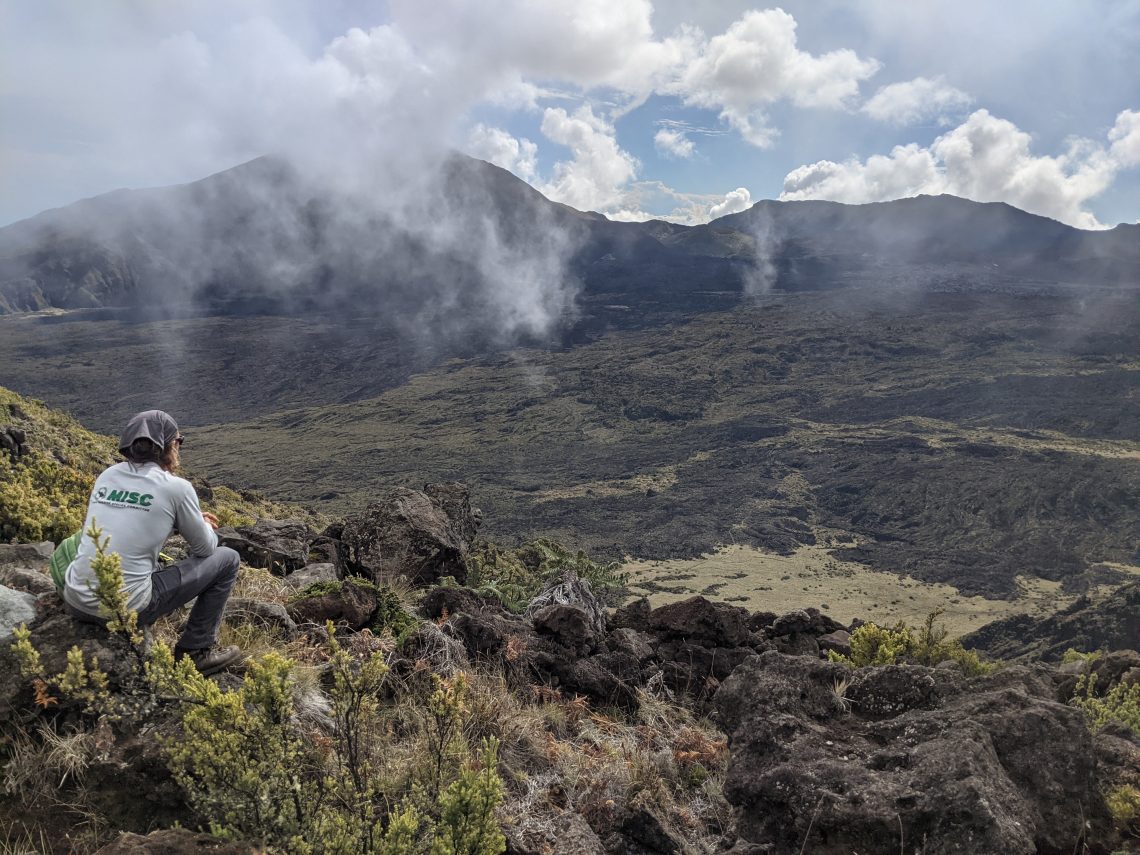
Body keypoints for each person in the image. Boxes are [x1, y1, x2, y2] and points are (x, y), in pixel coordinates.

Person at [62, 410, 242, 675]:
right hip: (125, 610)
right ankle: (196, 653)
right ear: (169, 445)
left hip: (75, 600)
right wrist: (198, 523)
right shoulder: (177, 488)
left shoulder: (107, 475)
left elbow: (133, 522)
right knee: (228, 559)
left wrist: (180, 520)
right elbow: (205, 548)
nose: (180, 448)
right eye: (179, 442)